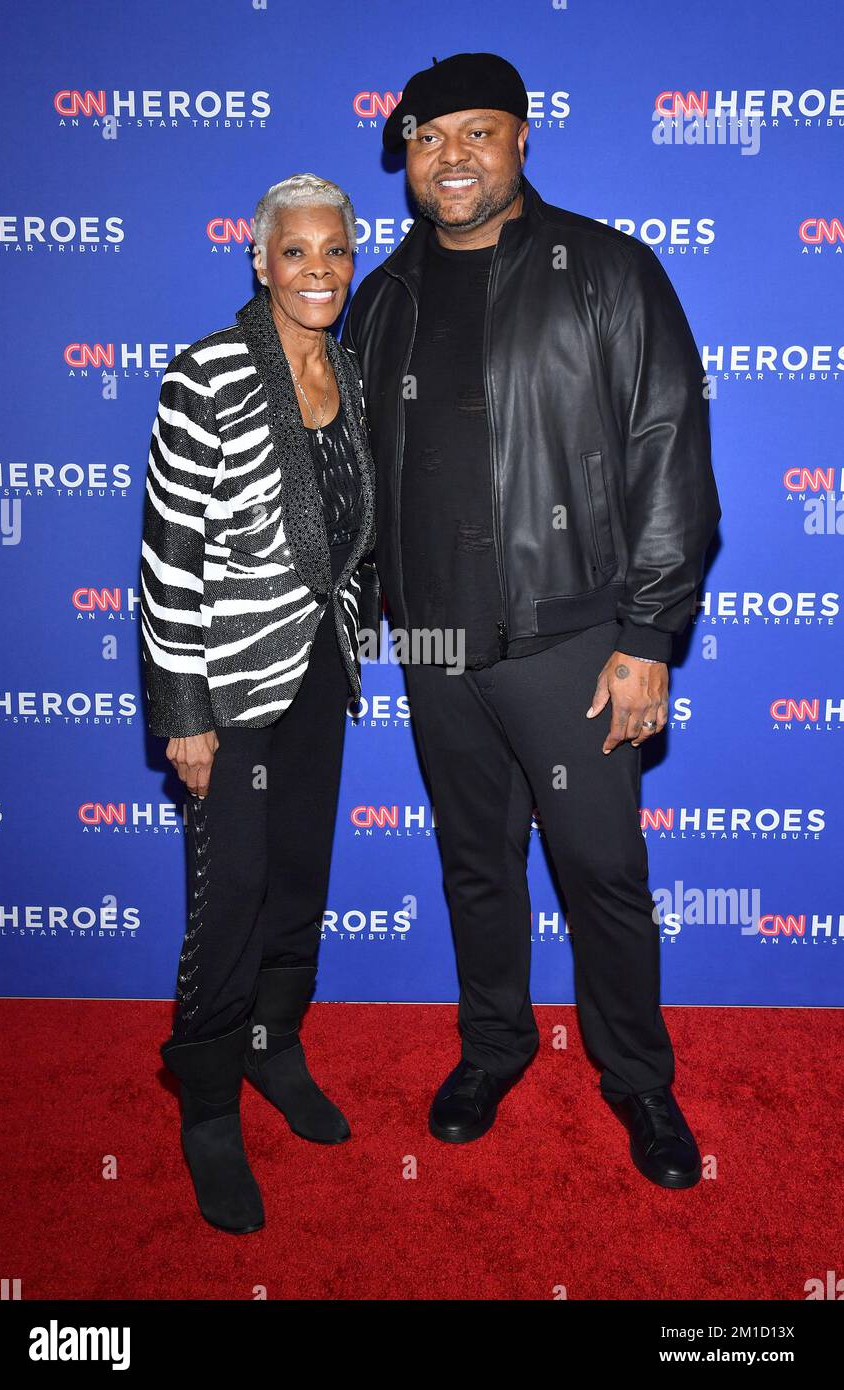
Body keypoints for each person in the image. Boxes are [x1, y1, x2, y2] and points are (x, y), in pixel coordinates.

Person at [342, 53, 721, 1189]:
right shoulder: (383, 297)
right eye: (425, 138)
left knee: (600, 868)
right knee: (475, 864)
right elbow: (356, 476)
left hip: (571, 638)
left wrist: (648, 635)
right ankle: (494, 1046)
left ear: (519, 140)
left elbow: (668, 455)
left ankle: (637, 1078)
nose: (448, 157)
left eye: (474, 133)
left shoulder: (603, 270)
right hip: (437, 644)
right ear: (403, 155)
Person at [139, 173, 378, 1233]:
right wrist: (181, 706)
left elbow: (349, 523)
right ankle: (204, 1111)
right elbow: (168, 551)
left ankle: (274, 1049)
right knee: (226, 896)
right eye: (296, 252)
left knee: (297, 879)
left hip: (318, 669)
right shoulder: (208, 372)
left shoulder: (350, 368)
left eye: (334, 250)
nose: (317, 269)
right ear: (259, 258)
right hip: (229, 686)